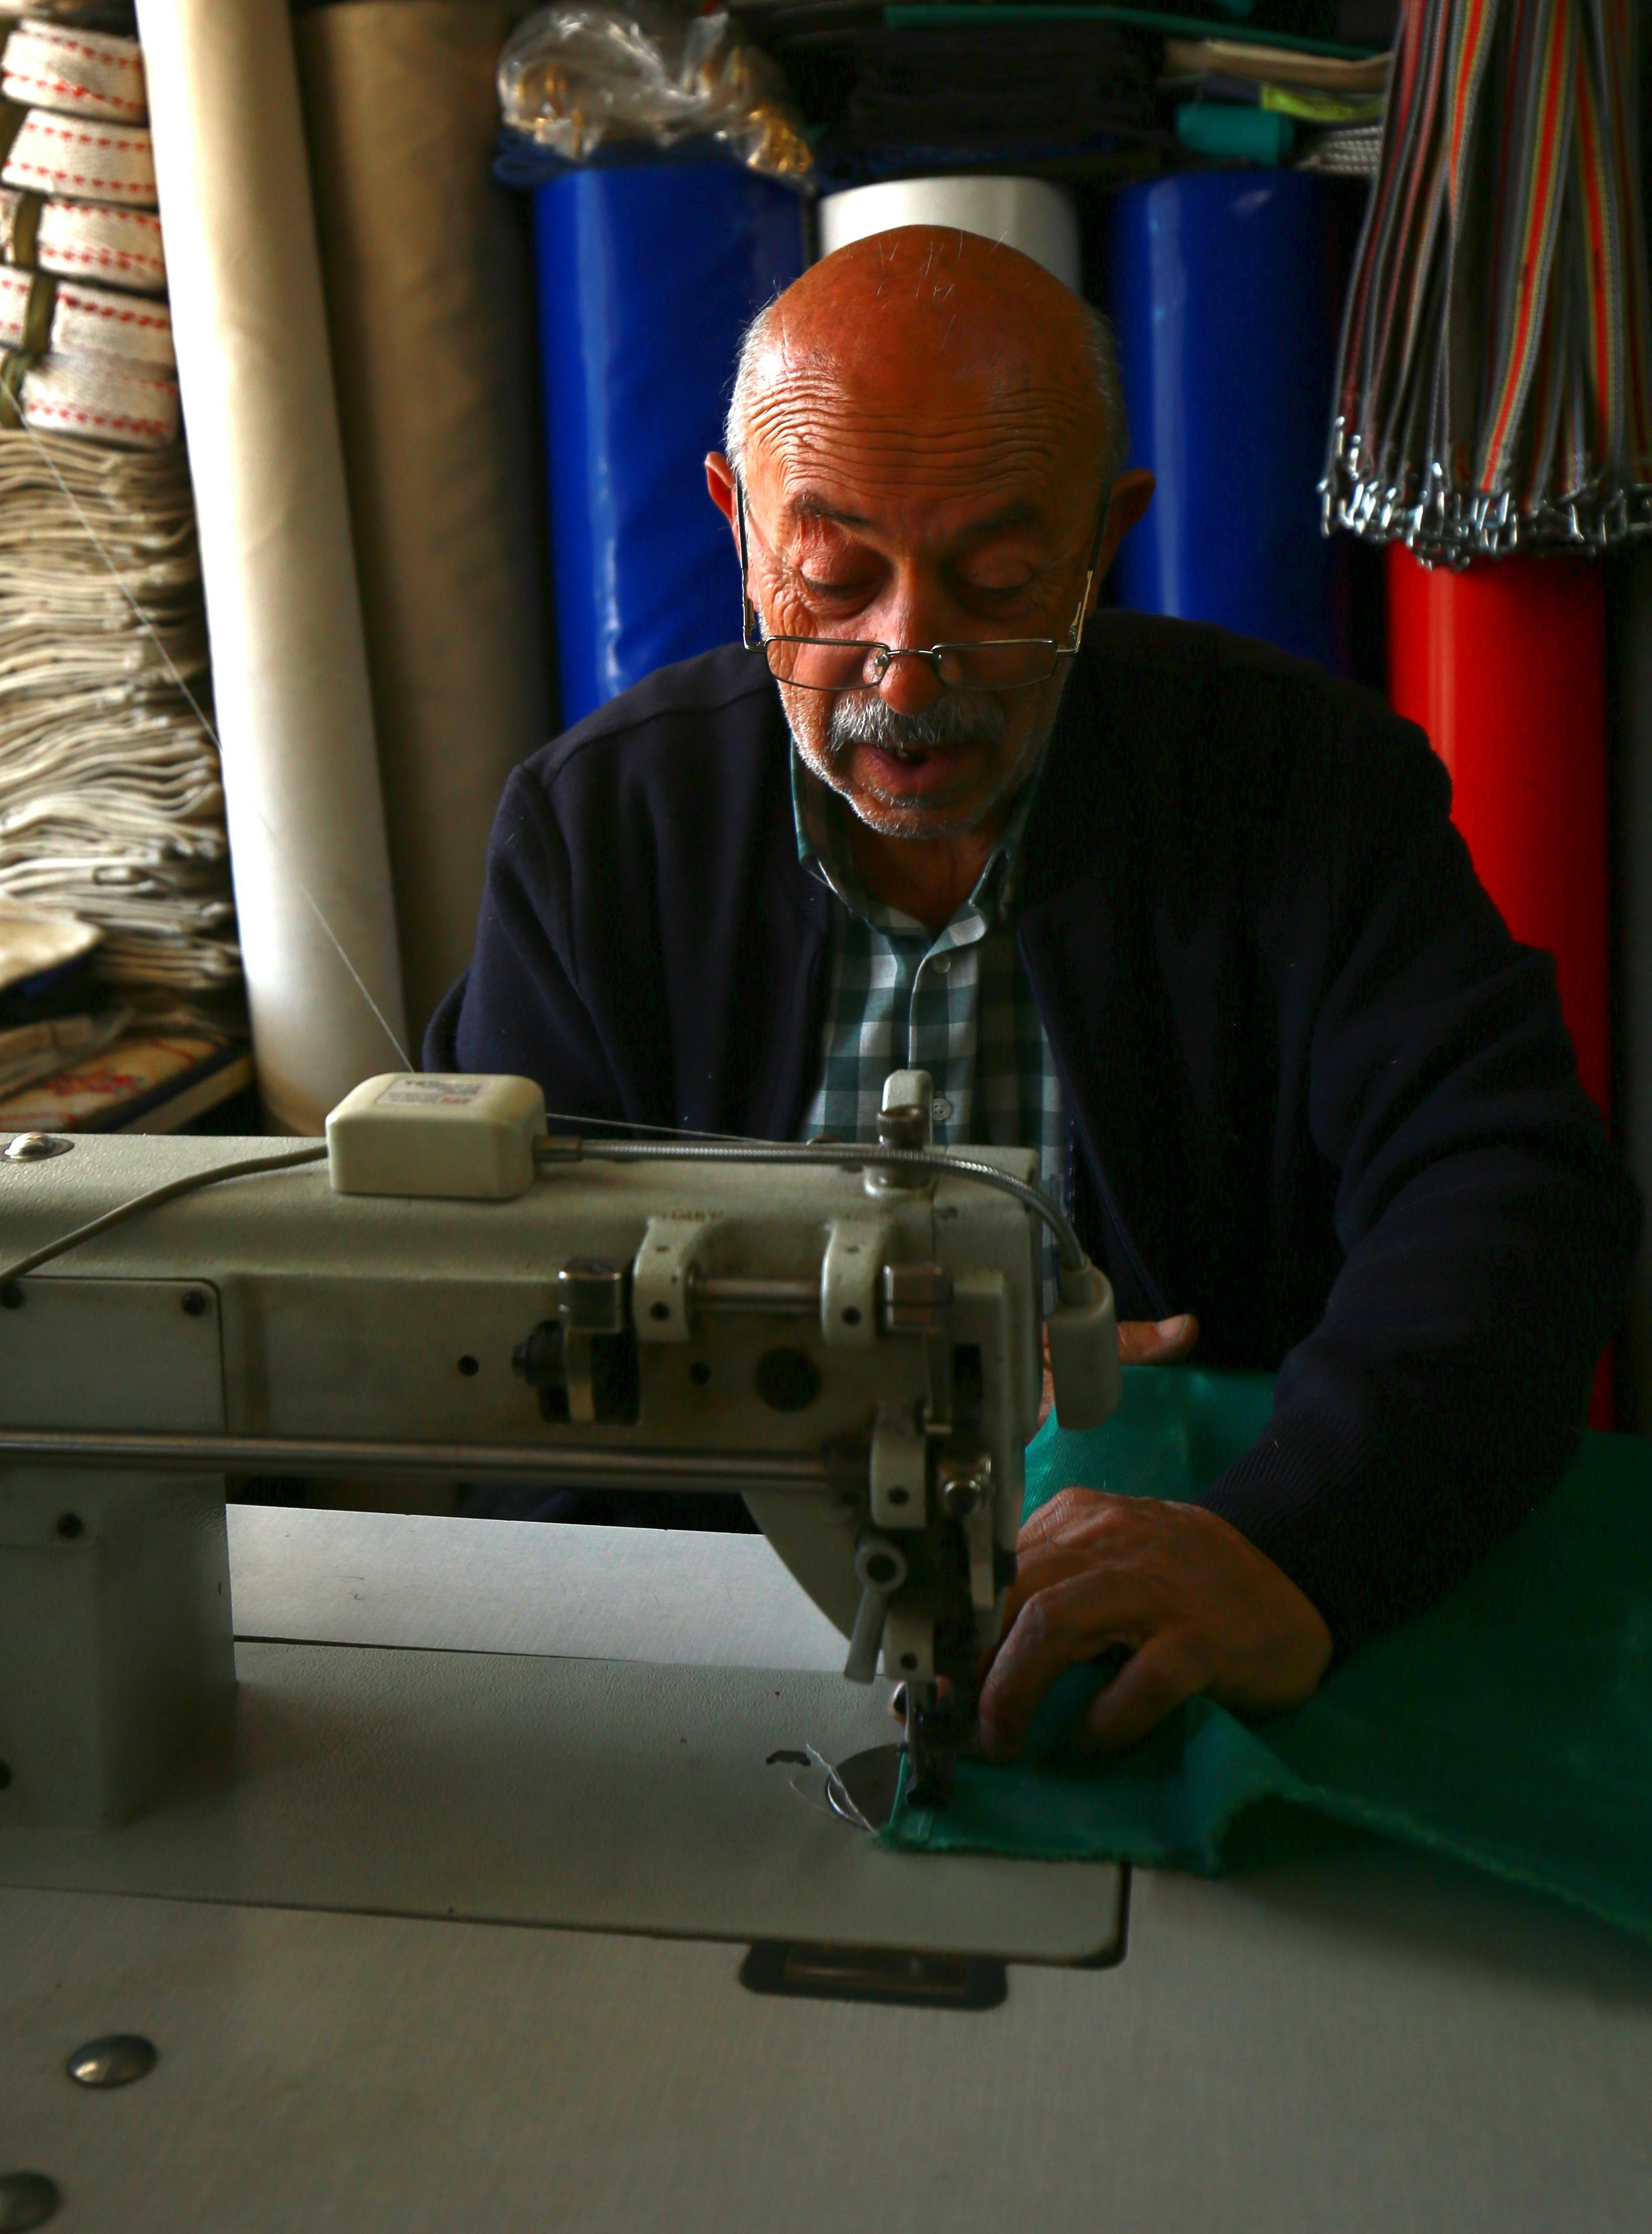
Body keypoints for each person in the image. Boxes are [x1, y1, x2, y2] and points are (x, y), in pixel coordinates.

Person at [425, 226, 1636, 1759]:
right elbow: (500, 1325)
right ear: (737, 525)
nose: (910, 665)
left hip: (1194, 1616)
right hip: (722, 1672)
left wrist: (1294, 1541)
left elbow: (1515, 1196)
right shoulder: (599, 837)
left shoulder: (1303, 791)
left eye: (998, 580)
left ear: (1101, 540)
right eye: (835, 575)